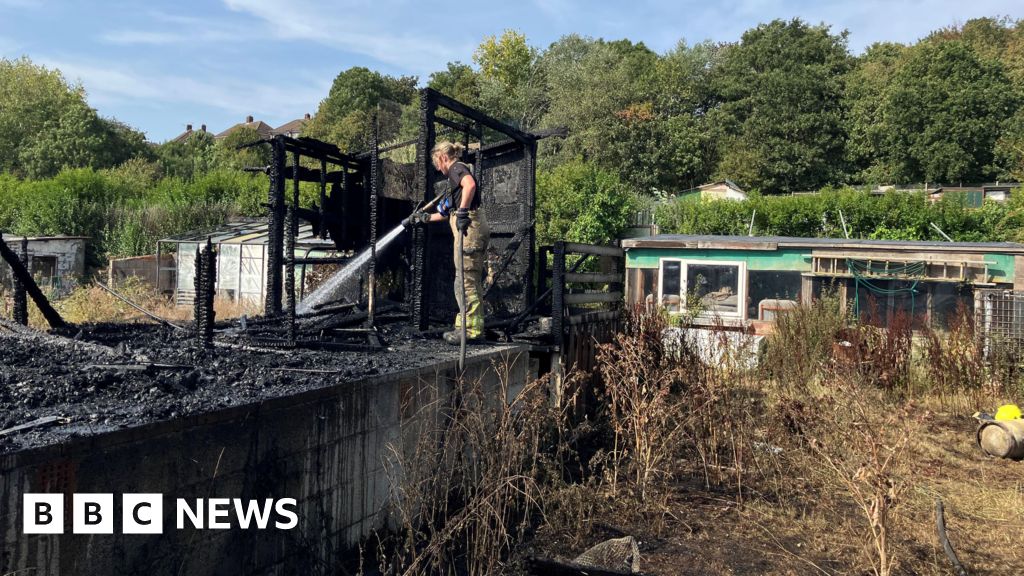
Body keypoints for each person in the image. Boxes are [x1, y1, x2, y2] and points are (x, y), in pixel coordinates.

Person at [423, 141, 490, 345]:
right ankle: (468, 328)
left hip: (469, 231)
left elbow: (470, 184)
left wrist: (462, 211)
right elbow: (444, 211)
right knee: (466, 280)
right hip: (472, 230)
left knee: (465, 281)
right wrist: (423, 218)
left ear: (443, 157)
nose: (438, 168)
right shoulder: (454, 182)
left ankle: (470, 332)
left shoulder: (456, 168)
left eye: (437, 163)